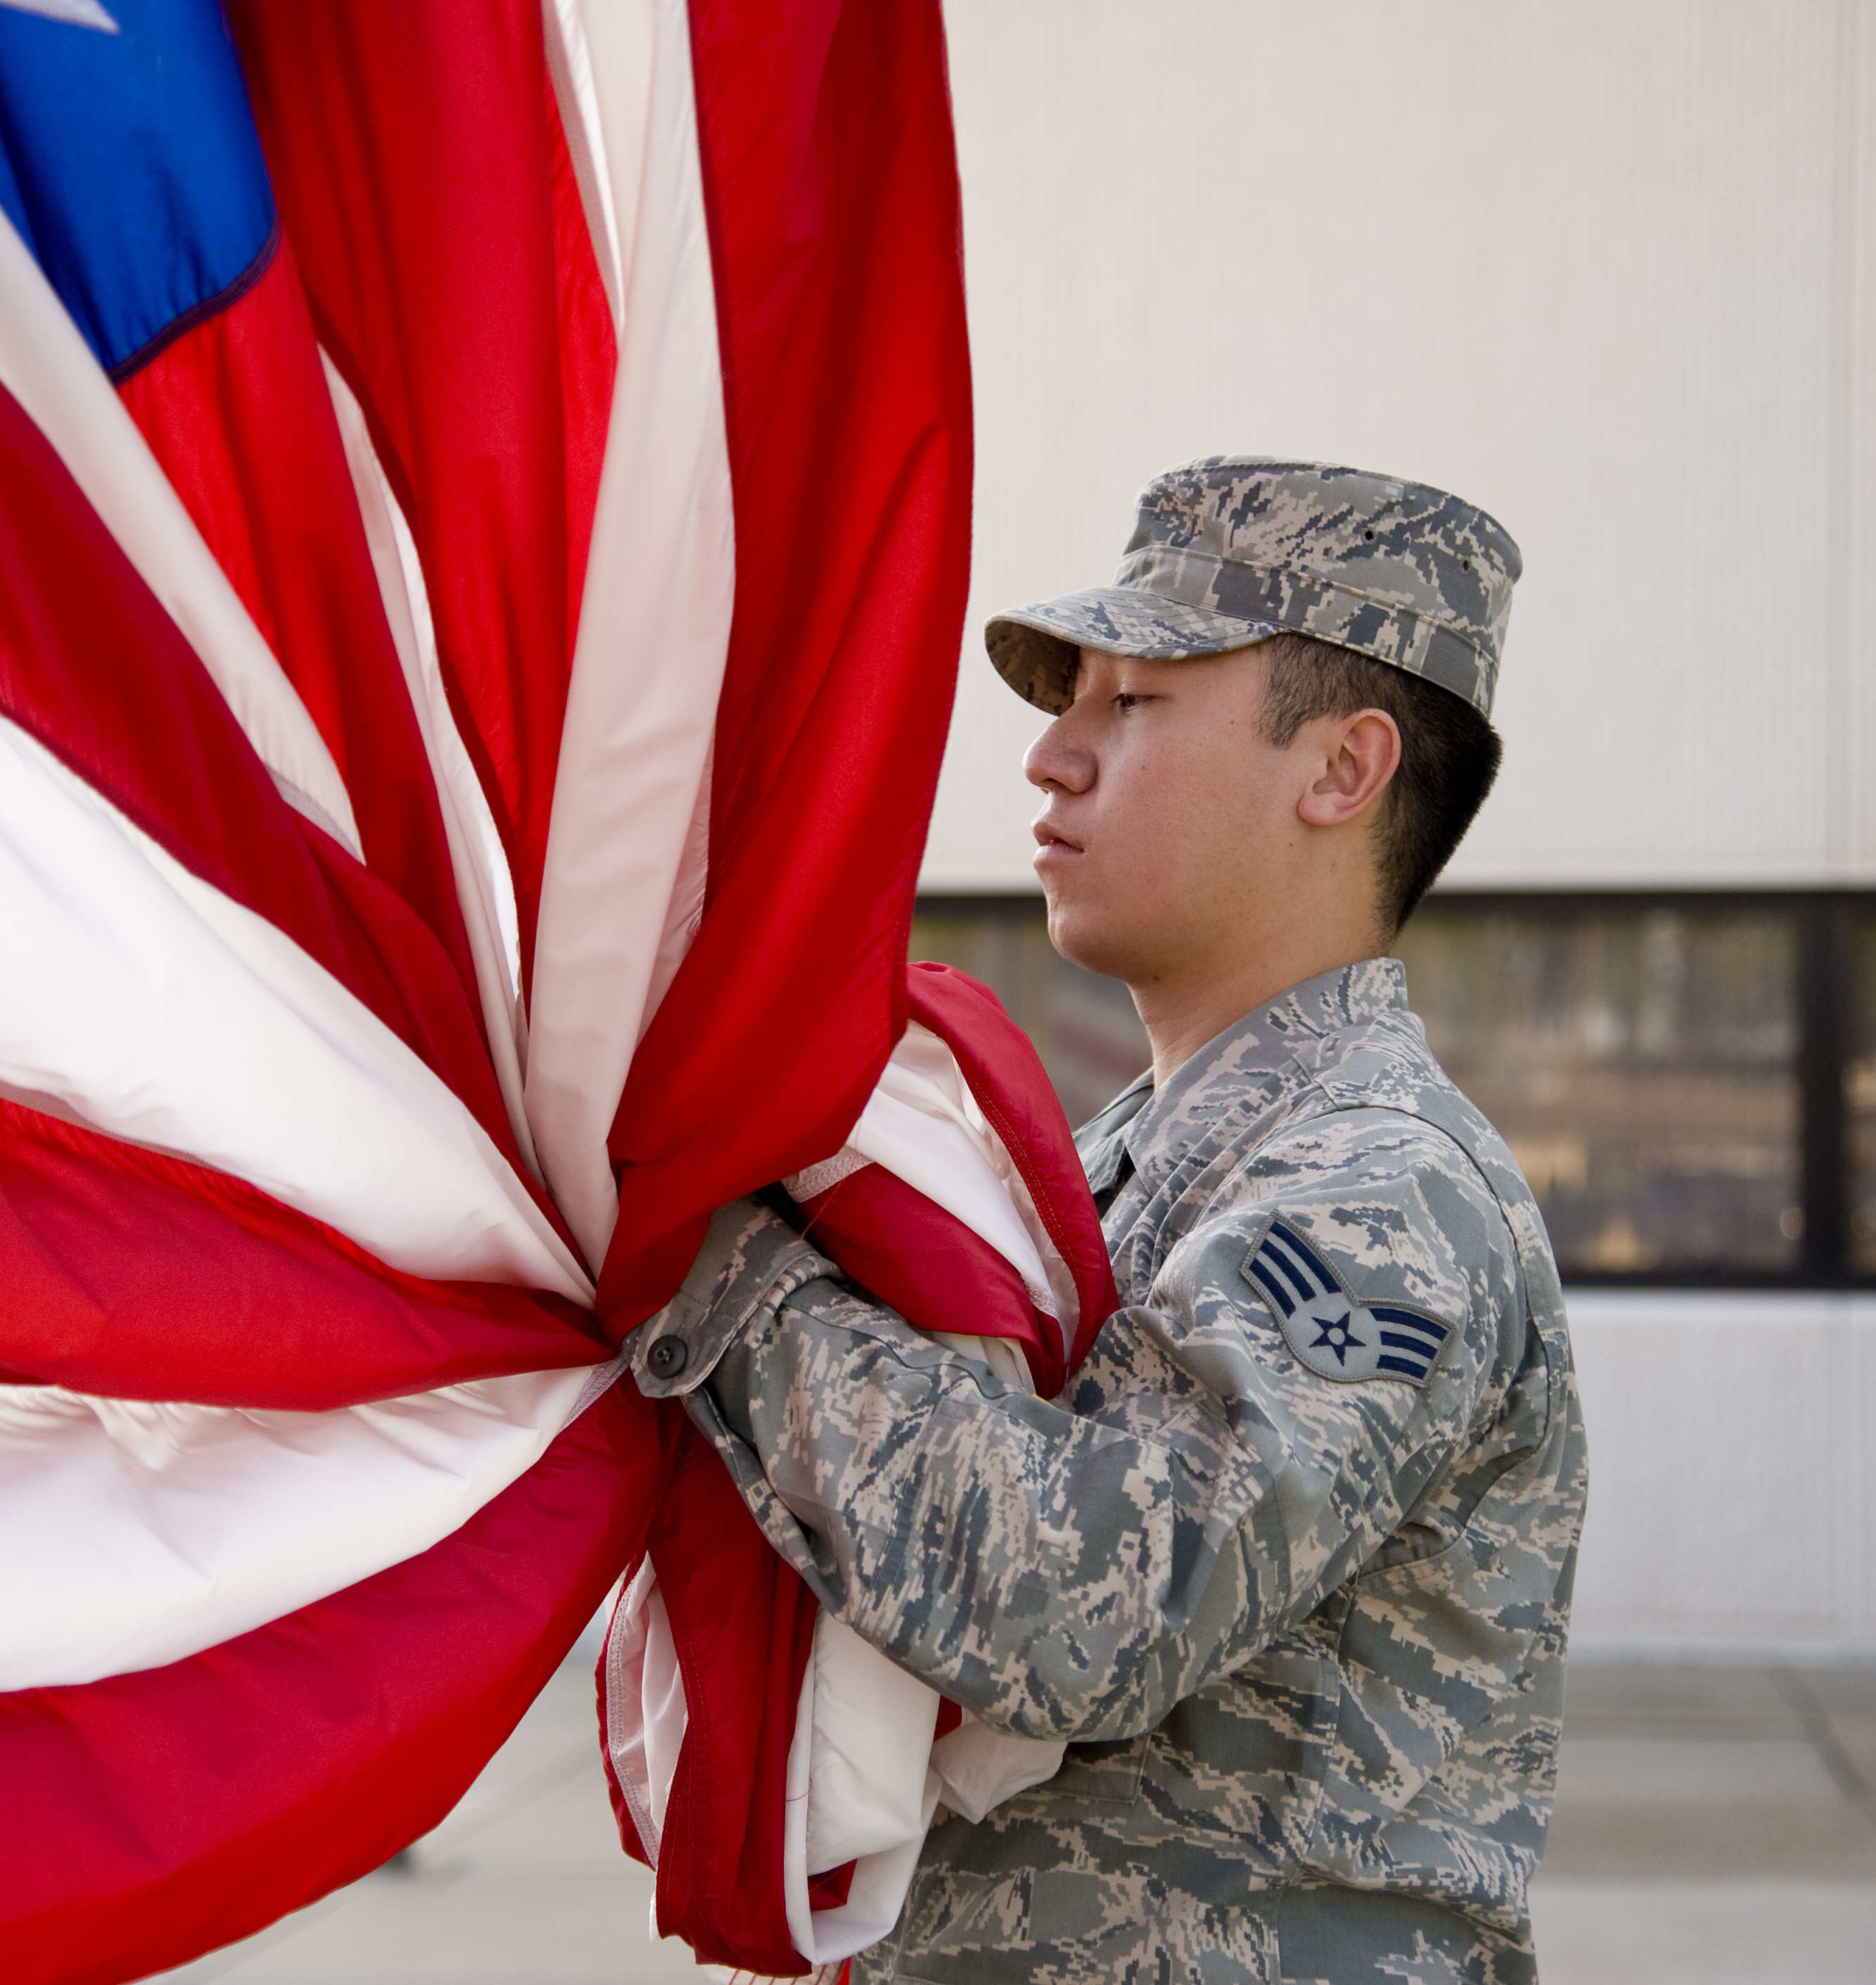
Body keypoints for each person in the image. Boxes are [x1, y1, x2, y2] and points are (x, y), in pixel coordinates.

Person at [627, 457, 1587, 1983]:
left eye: (1129, 704)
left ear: (1341, 772)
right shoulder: (1133, 1157)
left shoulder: (1375, 1182)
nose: (1051, 760)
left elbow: (1084, 1604)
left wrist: (714, 1274)